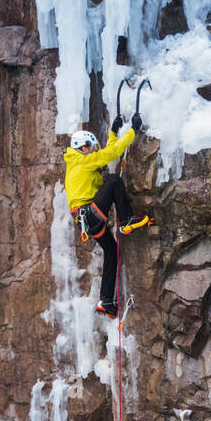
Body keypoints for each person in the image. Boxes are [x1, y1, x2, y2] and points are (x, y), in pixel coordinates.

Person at [64, 113, 150, 317]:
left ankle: (106, 302)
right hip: (89, 214)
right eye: (92, 148)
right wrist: (133, 132)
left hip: (86, 220)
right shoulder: (82, 161)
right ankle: (126, 220)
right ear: (83, 148)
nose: (94, 151)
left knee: (112, 251)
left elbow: (107, 153)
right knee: (113, 180)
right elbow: (111, 154)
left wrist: (113, 131)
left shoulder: (78, 162)